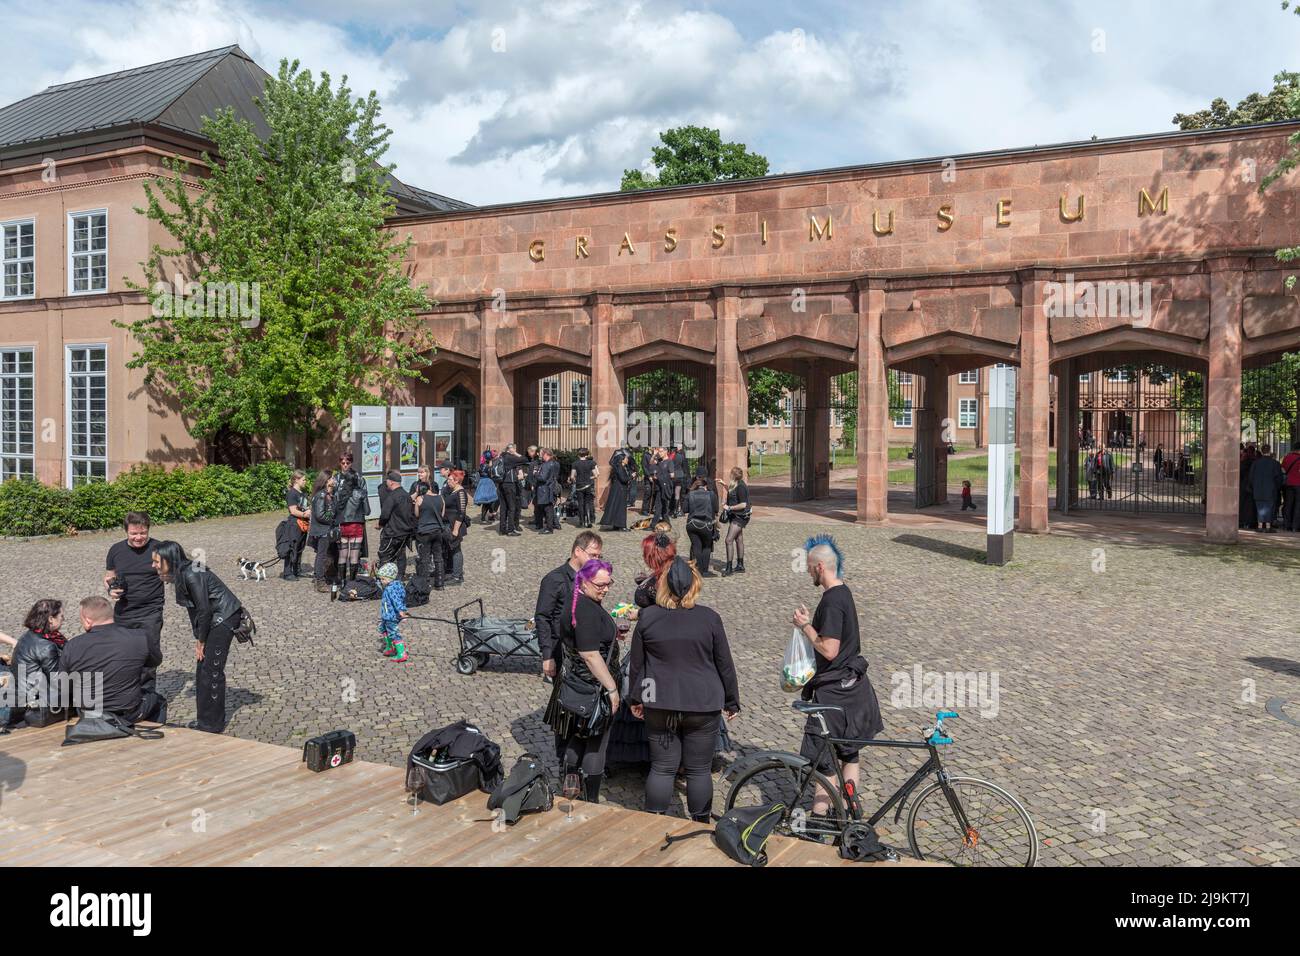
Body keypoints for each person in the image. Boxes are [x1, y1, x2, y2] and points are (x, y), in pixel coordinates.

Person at [628, 557, 740, 821]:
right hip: (702, 701)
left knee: (663, 767)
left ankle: (655, 819)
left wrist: (636, 698)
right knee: (699, 769)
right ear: (694, 586)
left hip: (659, 700)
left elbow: (638, 665)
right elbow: (724, 663)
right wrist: (732, 700)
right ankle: (700, 821)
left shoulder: (648, 617)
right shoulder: (710, 618)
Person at [791, 534, 884, 816]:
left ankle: (821, 822)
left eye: (809, 567)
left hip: (834, 696)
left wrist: (805, 626)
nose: (807, 571)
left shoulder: (831, 601)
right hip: (855, 691)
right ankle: (849, 816)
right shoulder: (844, 592)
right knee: (850, 755)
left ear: (820, 566)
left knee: (825, 765)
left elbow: (830, 650)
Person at [544, 559, 619, 803]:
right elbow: (589, 654)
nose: (605, 589)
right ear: (584, 581)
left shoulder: (576, 601)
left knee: (577, 737)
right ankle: (591, 800)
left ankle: (570, 788)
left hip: (576, 686)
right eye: (600, 585)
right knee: (596, 744)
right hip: (593, 689)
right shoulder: (585, 609)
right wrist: (612, 689)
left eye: (609, 584)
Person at [153, 540, 245, 734]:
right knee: (202, 669)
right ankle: (205, 720)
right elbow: (196, 611)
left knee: (212, 670)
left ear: (169, 560)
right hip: (213, 618)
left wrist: (201, 641)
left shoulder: (192, 573)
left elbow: (203, 610)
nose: (153, 566)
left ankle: (212, 725)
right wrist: (199, 638)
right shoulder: (182, 573)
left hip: (224, 617)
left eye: (156, 562)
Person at [535, 532, 604, 758]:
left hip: (585, 653)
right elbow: (542, 617)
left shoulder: (591, 579)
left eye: (599, 555)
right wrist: (547, 655)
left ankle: (585, 750)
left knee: (586, 701)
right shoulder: (554, 579)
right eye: (593, 554)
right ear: (577, 551)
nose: (597, 559)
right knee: (566, 706)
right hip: (561, 652)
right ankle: (565, 756)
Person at [58, 595, 165, 725]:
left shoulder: (72, 645)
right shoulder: (140, 637)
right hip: (130, 712)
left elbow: (63, 685)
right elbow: (155, 661)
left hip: (90, 713)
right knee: (158, 701)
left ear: (87, 620)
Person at [103, 511, 166, 699]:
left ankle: (146, 697)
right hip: (123, 612)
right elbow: (109, 576)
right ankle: (125, 694)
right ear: (126, 532)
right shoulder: (115, 550)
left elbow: (170, 574)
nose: (139, 537)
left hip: (151, 612)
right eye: (134, 534)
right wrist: (110, 589)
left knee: (148, 656)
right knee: (123, 655)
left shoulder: (158, 548)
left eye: (143, 533)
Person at [5, 599, 69, 728]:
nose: (64, 619)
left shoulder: (28, 636)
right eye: (61, 616)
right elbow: (59, 681)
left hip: (25, 693)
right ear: (51, 619)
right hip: (38, 701)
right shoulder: (46, 645)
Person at [333, 452, 370, 587]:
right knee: (346, 555)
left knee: (348, 555)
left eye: (347, 463)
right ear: (339, 463)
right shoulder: (336, 478)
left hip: (351, 520)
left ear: (351, 463)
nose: (345, 465)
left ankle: (348, 583)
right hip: (344, 521)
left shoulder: (359, 478)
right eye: (342, 463)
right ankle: (347, 582)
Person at [377, 470, 416, 579]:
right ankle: (399, 577)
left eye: (387, 481)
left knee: (384, 556)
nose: (386, 483)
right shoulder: (406, 495)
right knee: (401, 555)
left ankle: (383, 578)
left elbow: (385, 515)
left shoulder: (392, 496)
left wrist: (380, 524)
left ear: (392, 482)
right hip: (404, 533)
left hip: (392, 532)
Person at [413, 475, 448, 590]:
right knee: (438, 557)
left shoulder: (420, 499)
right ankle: (440, 583)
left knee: (425, 558)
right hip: (437, 531)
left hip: (424, 532)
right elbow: (442, 515)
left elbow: (417, 515)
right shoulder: (440, 498)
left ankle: (425, 583)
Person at [308, 470, 337, 593]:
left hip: (324, 530)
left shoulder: (327, 494)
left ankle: (321, 577)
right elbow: (320, 515)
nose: (334, 480)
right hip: (322, 530)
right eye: (332, 478)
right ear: (326, 480)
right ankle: (320, 582)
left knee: (325, 555)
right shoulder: (321, 495)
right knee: (322, 556)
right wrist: (332, 521)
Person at [684, 476, 719, 576]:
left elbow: (685, 509)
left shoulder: (690, 494)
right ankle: (704, 570)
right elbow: (716, 509)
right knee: (707, 547)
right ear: (705, 486)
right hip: (706, 524)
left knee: (696, 546)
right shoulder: (711, 494)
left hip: (692, 524)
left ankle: (697, 569)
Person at [376, 563, 410, 663]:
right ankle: (390, 646)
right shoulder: (395, 585)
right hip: (387, 615)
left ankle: (401, 653)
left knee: (393, 633)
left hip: (391, 616)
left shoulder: (391, 589)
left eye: (383, 579)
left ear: (390, 578)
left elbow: (397, 601)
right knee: (382, 628)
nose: (381, 581)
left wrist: (401, 611)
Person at [720, 467, 751, 576]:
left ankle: (729, 568)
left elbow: (743, 504)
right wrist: (724, 485)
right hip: (735, 515)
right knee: (738, 539)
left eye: (730, 473)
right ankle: (740, 565)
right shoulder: (736, 484)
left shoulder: (741, 486)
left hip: (740, 516)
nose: (729, 475)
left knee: (728, 540)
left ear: (733, 475)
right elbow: (733, 493)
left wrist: (729, 507)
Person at [1249, 445, 1285, 533]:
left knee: (1259, 507)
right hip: (1271, 489)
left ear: (1261, 451)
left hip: (1258, 489)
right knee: (1269, 508)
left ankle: (1260, 526)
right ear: (1269, 451)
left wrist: (1253, 486)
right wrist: (1277, 487)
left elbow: (1251, 477)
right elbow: (1279, 478)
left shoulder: (1256, 463)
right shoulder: (1275, 463)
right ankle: (1268, 526)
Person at [443, 469, 470, 583]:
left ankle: (457, 576)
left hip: (456, 525)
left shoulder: (461, 493)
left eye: (450, 479)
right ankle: (451, 571)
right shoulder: (452, 491)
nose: (448, 481)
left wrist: (455, 529)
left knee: (456, 549)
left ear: (457, 480)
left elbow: (461, 512)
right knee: (450, 548)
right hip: (449, 523)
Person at [283, 470, 311, 580]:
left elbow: (303, 507)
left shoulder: (302, 493)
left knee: (300, 548)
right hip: (294, 524)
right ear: (296, 480)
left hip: (303, 524)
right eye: (303, 479)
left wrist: (308, 510)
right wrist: (305, 513)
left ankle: (297, 570)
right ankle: (288, 573)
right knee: (292, 548)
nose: (305, 482)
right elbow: (293, 511)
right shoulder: (292, 493)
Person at [599, 447, 633, 531]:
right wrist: (631, 476)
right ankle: (621, 526)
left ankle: (616, 524)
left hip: (619, 489)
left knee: (617, 507)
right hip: (620, 490)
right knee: (620, 508)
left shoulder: (620, 467)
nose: (627, 459)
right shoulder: (620, 468)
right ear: (622, 460)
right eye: (625, 458)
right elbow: (623, 479)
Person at [497, 443, 527, 536]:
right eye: (514, 449)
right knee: (512, 507)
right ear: (511, 449)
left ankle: (502, 529)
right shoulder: (510, 457)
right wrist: (515, 453)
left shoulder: (501, 456)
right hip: (509, 484)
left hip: (501, 484)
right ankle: (510, 530)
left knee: (503, 507)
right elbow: (524, 459)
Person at [533, 448, 560, 535]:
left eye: (542, 454)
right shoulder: (555, 463)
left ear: (545, 454)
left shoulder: (546, 465)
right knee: (549, 508)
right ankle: (551, 526)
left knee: (547, 509)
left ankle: (549, 528)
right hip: (551, 487)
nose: (541, 456)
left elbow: (542, 478)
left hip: (545, 488)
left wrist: (536, 474)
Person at [570, 448, 597, 529]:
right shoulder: (591, 463)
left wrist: (575, 480)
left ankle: (582, 522)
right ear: (587, 455)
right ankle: (589, 521)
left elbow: (572, 476)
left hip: (579, 485)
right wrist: (590, 478)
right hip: (588, 485)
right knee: (588, 503)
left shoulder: (575, 463)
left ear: (578, 455)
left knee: (580, 503)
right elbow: (596, 475)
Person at [475, 448, 500, 524]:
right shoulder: (488, 466)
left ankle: (484, 517)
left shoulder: (481, 465)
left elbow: (480, 472)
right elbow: (491, 475)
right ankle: (491, 515)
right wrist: (491, 467)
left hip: (482, 482)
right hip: (488, 482)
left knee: (486, 501)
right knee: (490, 500)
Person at [1239, 443, 1260, 529]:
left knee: (1243, 504)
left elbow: (1240, 473)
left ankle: (1242, 521)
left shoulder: (1244, 462)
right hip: (1253, 485)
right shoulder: (1256, 462)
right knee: (1252, 505)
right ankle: (1251, 522)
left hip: (1244, 485)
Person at [1282, 441, 1300, 532]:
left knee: (1288, 504)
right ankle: (1295, 526)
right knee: (1298, 505)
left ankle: (1286, 524)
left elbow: (1283, 469)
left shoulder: (1287, 457)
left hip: (1288, 483)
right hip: (1298, 484)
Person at [640, 447, 655, 515]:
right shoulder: (645, 455)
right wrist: (649, 476)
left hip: (654, 476)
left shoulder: (654, 455)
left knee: (653, 493)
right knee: (647, 493)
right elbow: (644, 467)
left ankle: (651, 509)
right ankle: (644, 510)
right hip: (648, 477)